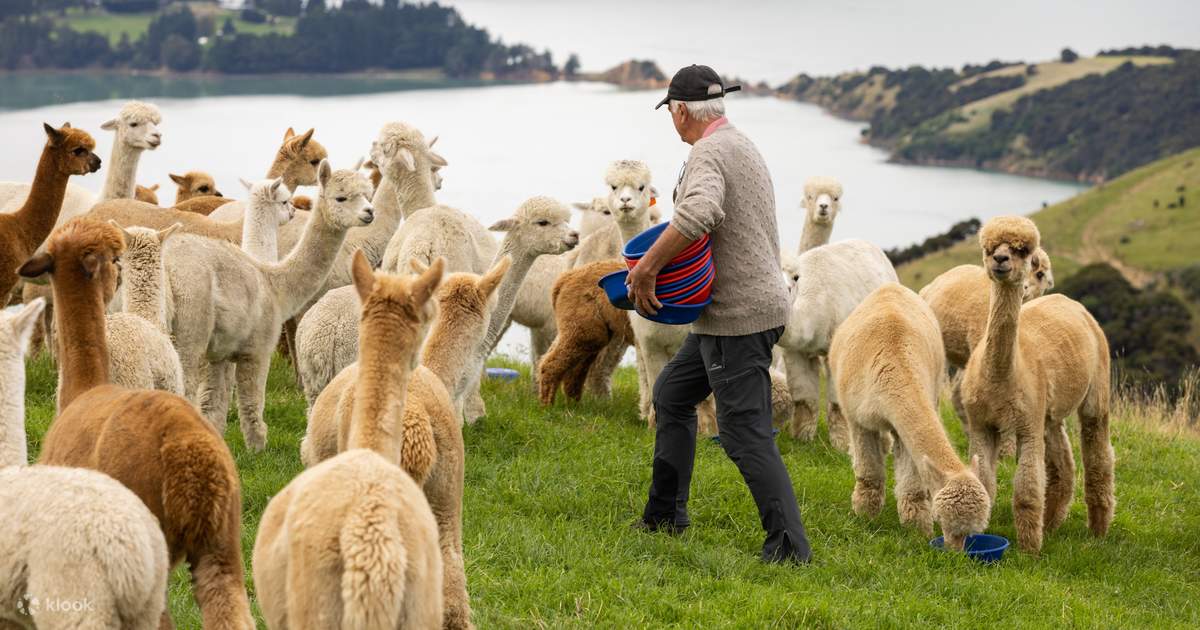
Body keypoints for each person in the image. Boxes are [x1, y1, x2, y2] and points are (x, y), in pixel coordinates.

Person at [627, 64, 812, 564]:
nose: (672, 120)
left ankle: (790, 548)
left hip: (739, 315)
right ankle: (665, 516)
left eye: (671, 112)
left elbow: (699, 213)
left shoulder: (709, 152)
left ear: (681, 111)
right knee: (672, 394)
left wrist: (646, 269)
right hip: (731, 310)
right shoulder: (738, 142)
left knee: (743, 430)